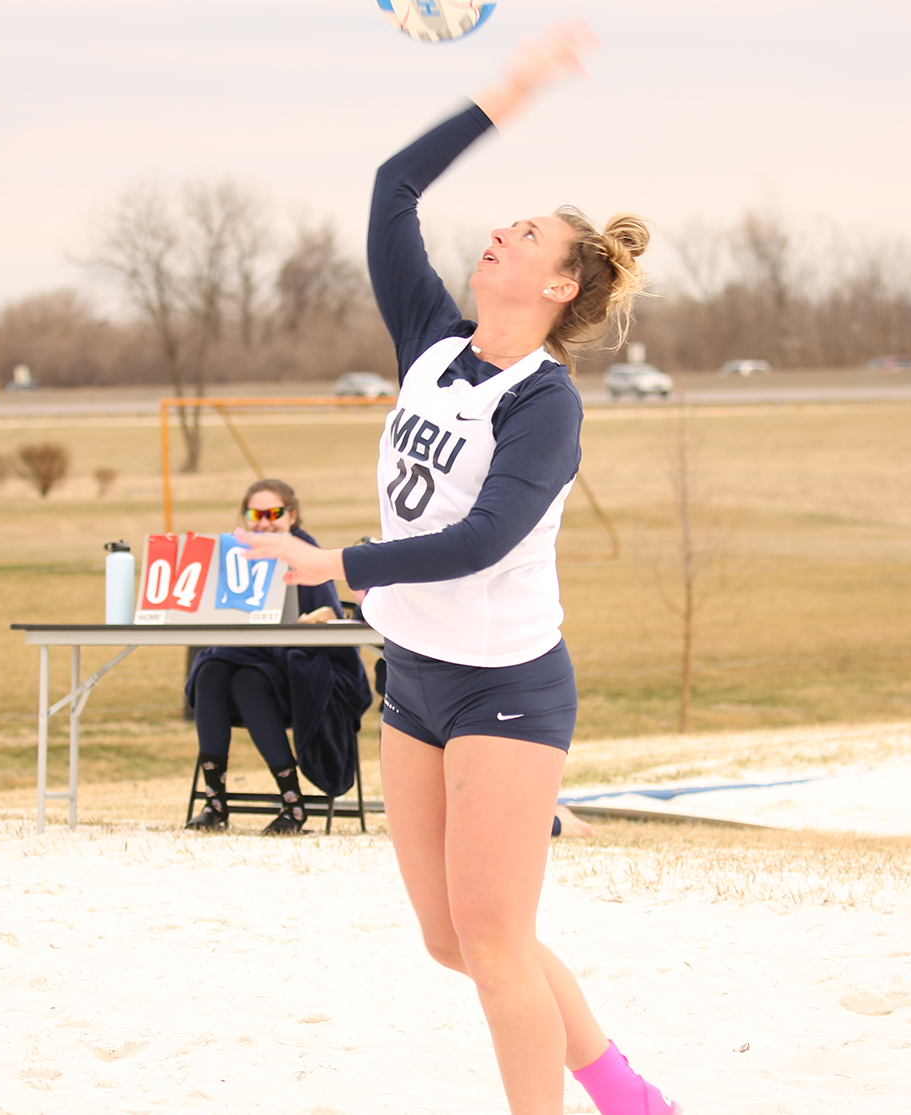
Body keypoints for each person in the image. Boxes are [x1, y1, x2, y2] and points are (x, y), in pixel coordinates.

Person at [237, 23, 680, 1115]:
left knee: (492, 944)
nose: (495, 231)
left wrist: (331, 559)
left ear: (559, 280)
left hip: (507, 690)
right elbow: (393, 186)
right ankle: (629, 1095)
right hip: (417, 678)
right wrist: (512, 87)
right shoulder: (431, 342)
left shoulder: (545, 403)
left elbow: (481, 539)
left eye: (522, 232)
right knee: (458, 940)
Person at [185, 478, 372, 835]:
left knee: (247, 680)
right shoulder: (233, 556)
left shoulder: (306, 554)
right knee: (210, 670)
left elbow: (326, 618)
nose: (264, 522)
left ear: (292, 515)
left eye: (274, 513)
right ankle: (214, 803)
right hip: (238, 659)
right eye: (256, 513)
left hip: (294, 670)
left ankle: (292, 803)